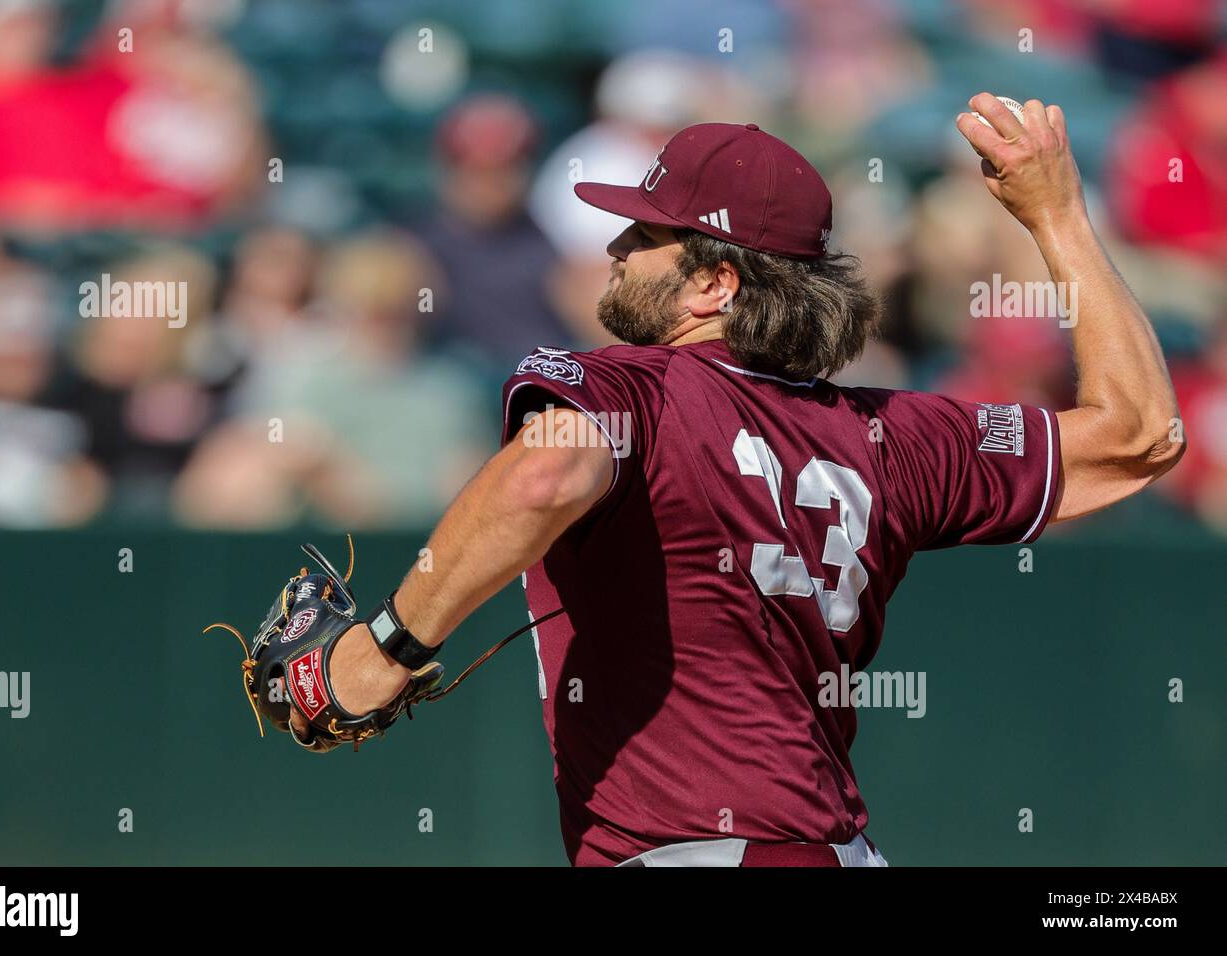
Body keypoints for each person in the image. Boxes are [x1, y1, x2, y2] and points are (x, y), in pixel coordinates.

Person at [282, 99, 1183, 866]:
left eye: (646, 231)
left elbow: (544, 474)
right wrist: (1059, 216)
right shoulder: (898, 436)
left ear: (715, 282)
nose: (617, 245)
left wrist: (384, 648)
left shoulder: (633, 387)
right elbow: (1140, 435)